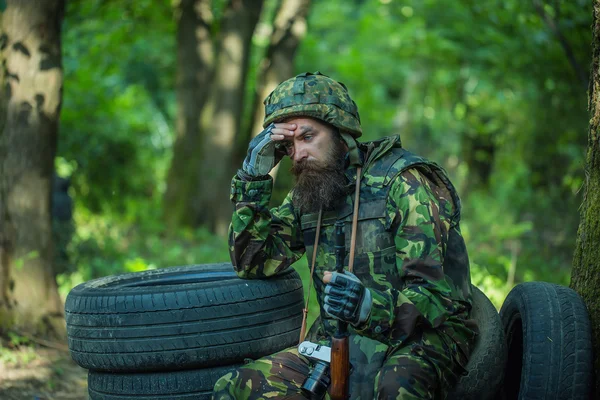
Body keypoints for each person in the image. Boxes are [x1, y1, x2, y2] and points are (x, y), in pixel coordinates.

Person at [213, 72, 478, 399]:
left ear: (341, 132)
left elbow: (436, 298)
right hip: (336, 341)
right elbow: (252, 262)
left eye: (307, 137)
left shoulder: (404, 183)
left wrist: (367, 306)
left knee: (397, 389)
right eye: (288, 146)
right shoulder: (310, 194)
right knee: (236, 387)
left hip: (423, 337)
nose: (298, 154)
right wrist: (251, 181)